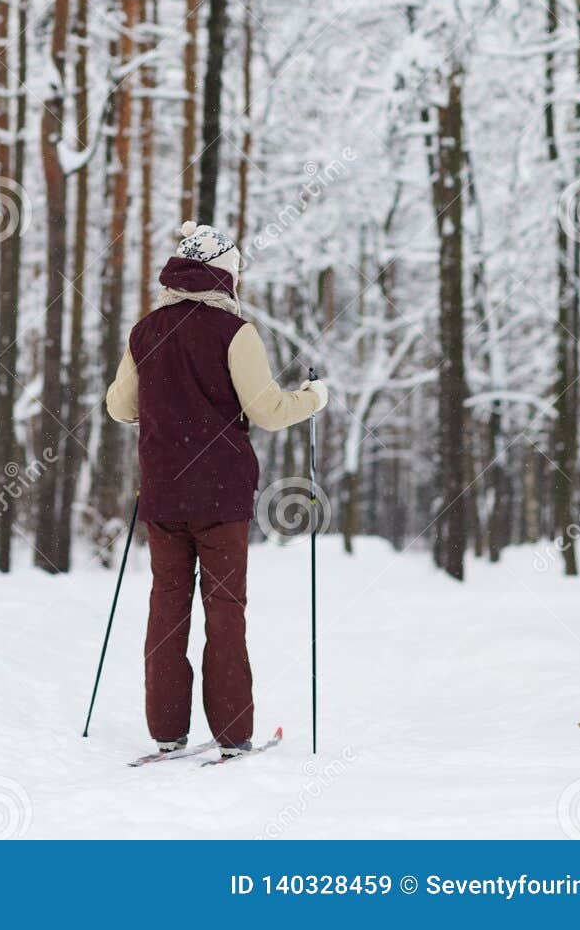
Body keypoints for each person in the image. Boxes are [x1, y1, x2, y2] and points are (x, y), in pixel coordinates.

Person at [106, 219, 327, 758]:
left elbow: (120, 407)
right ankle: (232, 733)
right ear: (224, 277)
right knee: (225, 608)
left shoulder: (146, 330)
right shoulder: (235, 333)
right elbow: (268, 412)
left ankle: (166, 731)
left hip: (162, 494)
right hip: (221, 497)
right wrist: (313, 398)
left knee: (167, 607)